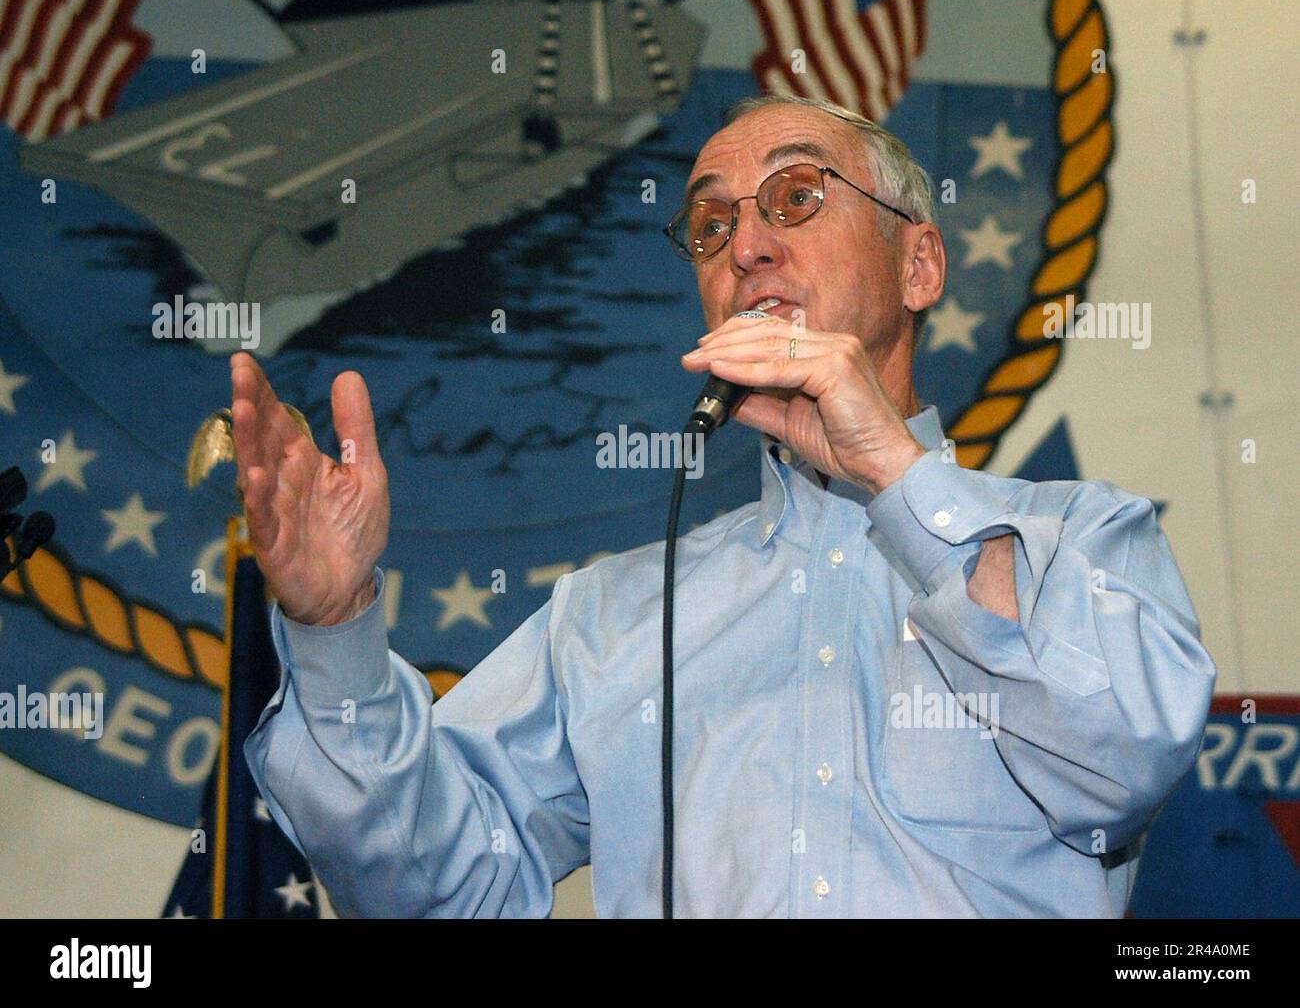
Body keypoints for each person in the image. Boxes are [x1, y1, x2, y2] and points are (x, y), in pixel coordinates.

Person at [233, 95, 1215, 918]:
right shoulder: (610, 618)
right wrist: (332, 633)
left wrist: (893, 472)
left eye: (797, 197)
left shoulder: (1078, 539)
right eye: (710, 225)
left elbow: (1119, 756)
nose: (745, 243)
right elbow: (433, 889)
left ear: (918, 265)